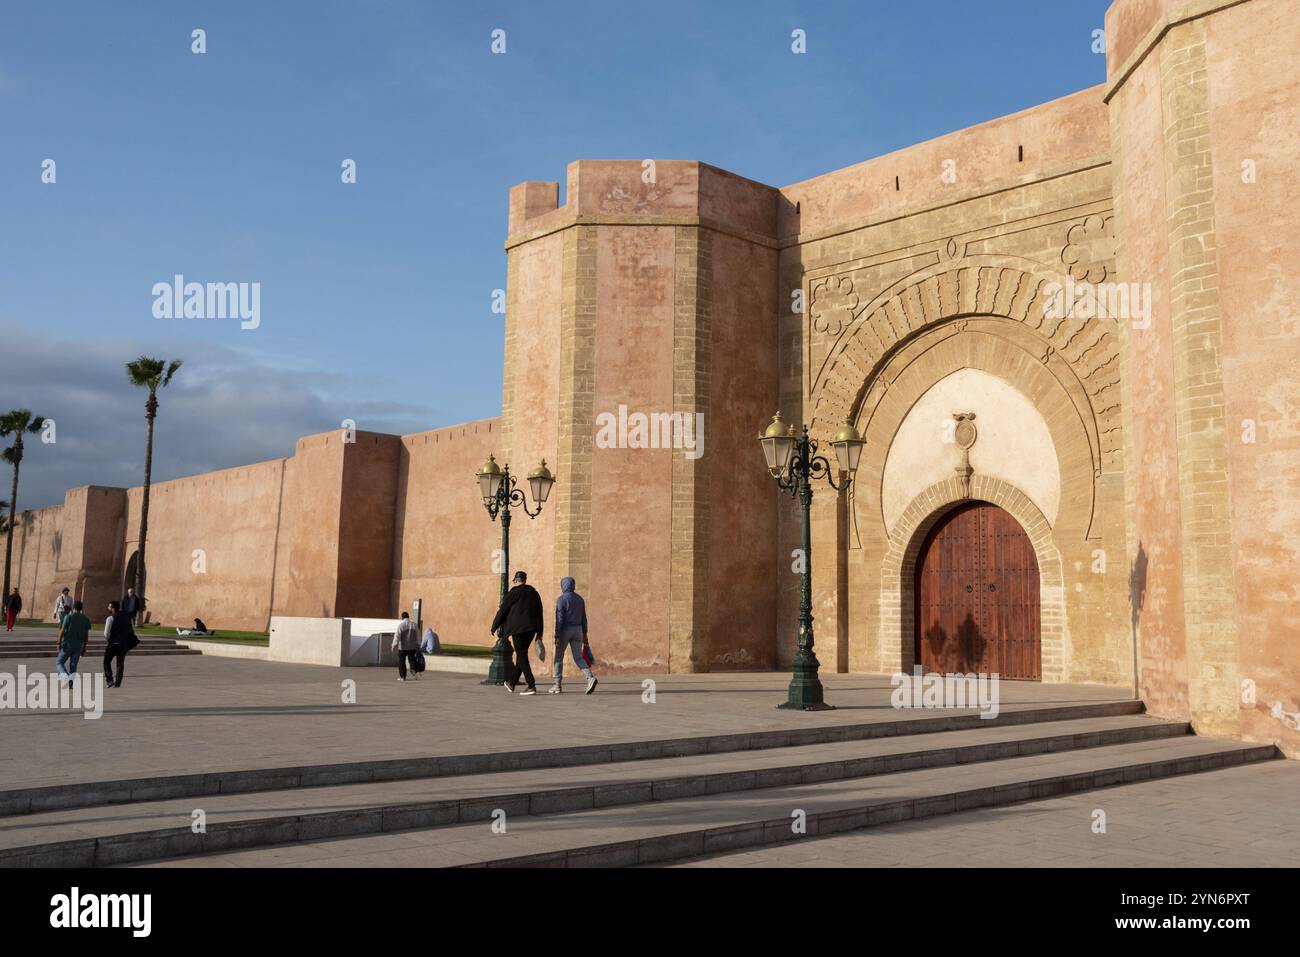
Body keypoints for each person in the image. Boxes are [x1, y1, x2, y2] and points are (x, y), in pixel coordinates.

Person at [490, 570, 544, 696]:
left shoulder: (513, 593)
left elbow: (503, 611)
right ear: (525, 580)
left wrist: (494, 626)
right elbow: (539, 613)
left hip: (518, 629)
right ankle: (511, 682)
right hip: (531, 630)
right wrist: (539, 633)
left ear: (515, 580)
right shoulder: (534, 593)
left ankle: (531, 685)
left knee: (522, 655)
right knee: (521, 655)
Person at [550, 576, 597, 694]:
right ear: (573, 585)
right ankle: (590, 677)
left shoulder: (561, 599)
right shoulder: (580, 599)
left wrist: (557, 636)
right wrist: (585, 634)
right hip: (578, 630)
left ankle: (557, 685)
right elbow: (584, 618)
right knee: (578, 657)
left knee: (558, 657)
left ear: (563, 586)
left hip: (565, 630)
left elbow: (559, 619)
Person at [55, 600, 91, 686]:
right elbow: (86, 635)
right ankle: (71, 683)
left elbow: (62, 630)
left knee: (59, 662)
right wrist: (84, 647)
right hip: (78, 646)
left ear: (73, 608)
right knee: (73, 665)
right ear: (81, 608)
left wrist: (58, 642)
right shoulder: (86, 619)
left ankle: (65, 676)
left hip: (68, 644)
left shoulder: (69, 617)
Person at [103, 599, 136, 688]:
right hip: (123, 644)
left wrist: (109, 640)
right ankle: (118, 682)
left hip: (113, 644)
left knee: (106, 662)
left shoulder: (110, 618)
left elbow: (106, 633)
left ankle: (109, 680)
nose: (108, 608)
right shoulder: (127, 617)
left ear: (113, 608)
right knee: (120, 663)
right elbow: (131, 630)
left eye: (109, 606)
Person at [393, 611, 420, 681]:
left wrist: (394, 645)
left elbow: (397, 636)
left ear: (402, 617)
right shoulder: (414, 625)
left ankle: (403, 677)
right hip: (412, 647)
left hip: (403, 648)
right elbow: (418, 635)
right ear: (408, 616)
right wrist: (418, 644)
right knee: (412, 660)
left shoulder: (401, 625)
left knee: (402, 661)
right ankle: (415, 672)